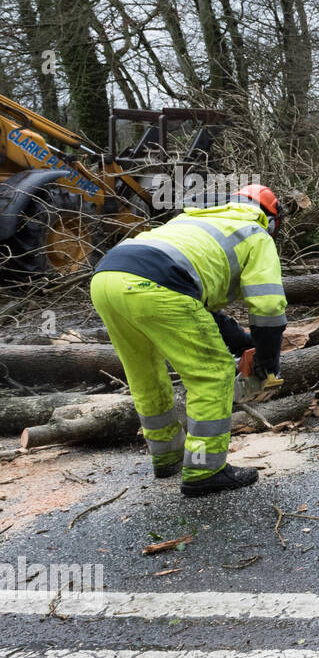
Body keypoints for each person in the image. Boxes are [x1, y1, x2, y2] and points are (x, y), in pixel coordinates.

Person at [89, 183, 287, 497]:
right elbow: (268, 306)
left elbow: (204, 309)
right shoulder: (254, 232)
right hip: (159, 285)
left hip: (107, 276)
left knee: (144, 372)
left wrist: (244, 342)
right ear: (271, 219)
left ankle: (167, 456)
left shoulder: (192, 220)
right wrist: (267, 360)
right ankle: (205, 470)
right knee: (213, 374)